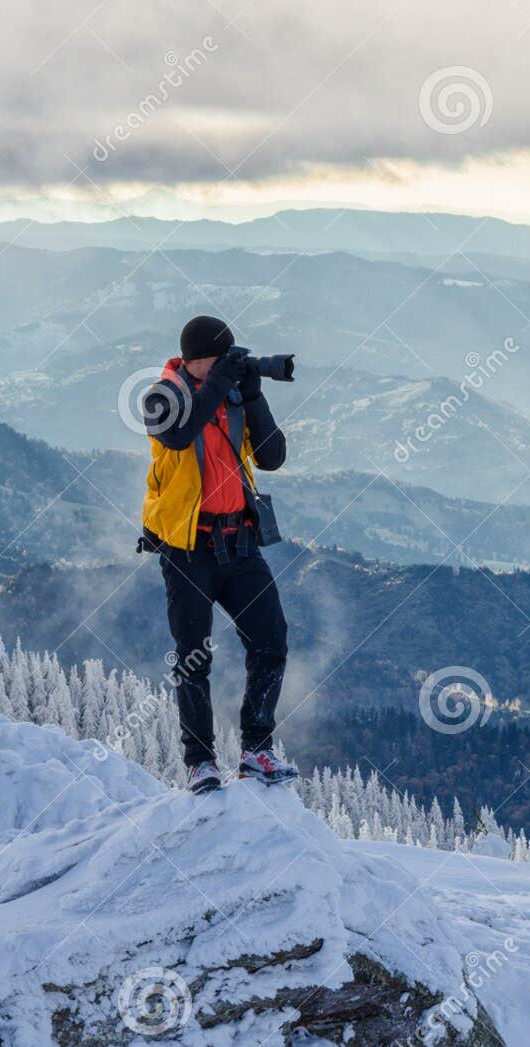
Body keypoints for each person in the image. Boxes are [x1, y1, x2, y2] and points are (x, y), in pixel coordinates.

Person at [138, 315, 297, 793]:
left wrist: (252, 393)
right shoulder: (160, 398)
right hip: (188, 550)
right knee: (193, 658)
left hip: (239, 542)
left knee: (271, 640)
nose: (228, 364)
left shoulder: (230, 395)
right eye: (220, 357)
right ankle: (200, 762)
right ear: (196, 359)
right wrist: (225, 380)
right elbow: (178, 436)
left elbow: (272, 457)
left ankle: (257, 750)